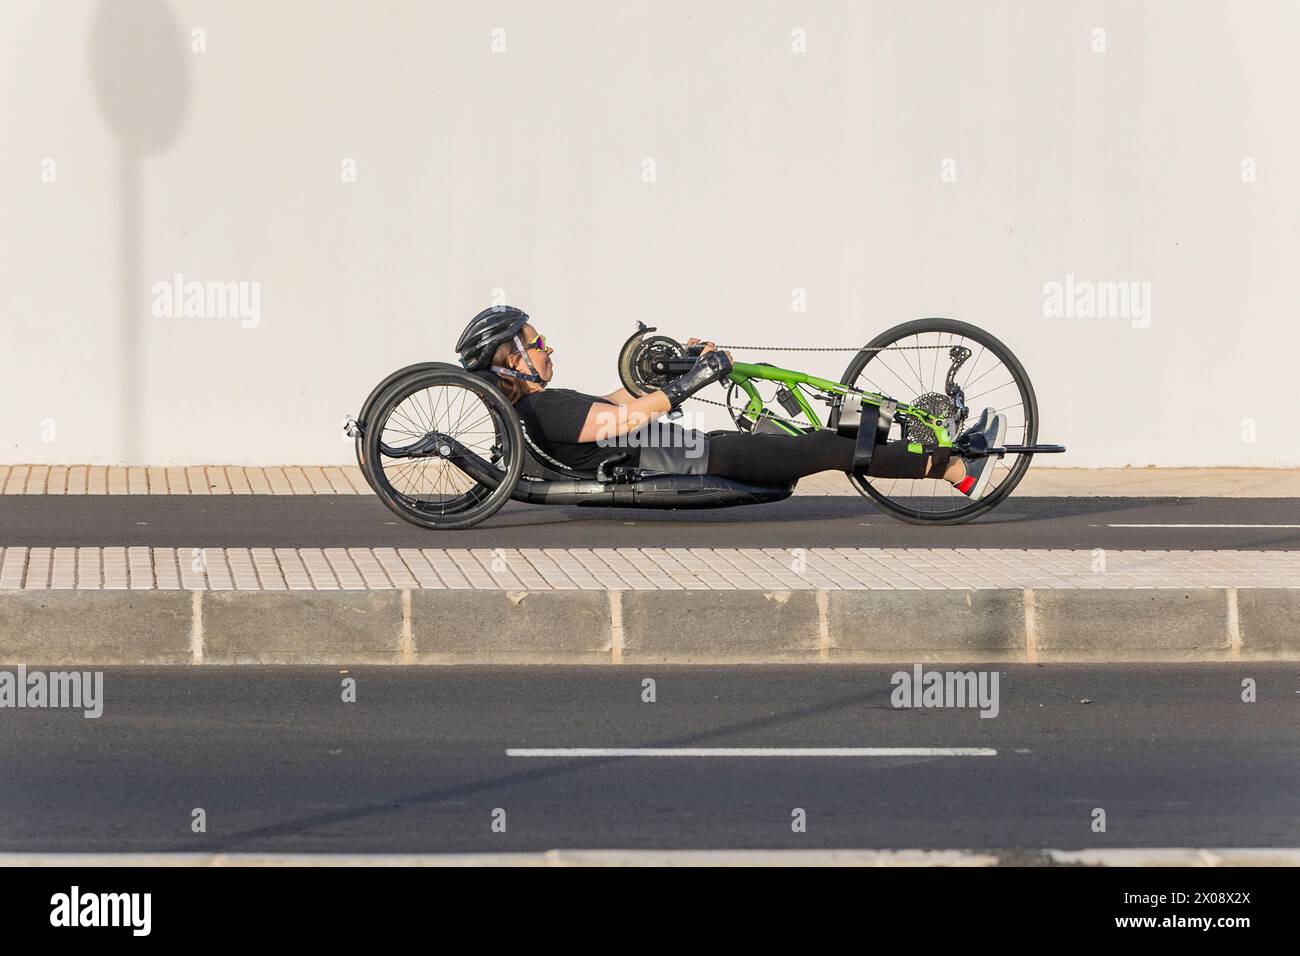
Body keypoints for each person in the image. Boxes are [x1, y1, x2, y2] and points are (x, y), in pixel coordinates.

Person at [455, 306, 1005, 496]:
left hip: (694, 451)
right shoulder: (541, 410)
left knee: (824, 431)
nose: (546, 347)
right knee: (826, 447)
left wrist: (683, 369)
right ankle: (953, 465)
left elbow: (614, 401)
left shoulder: (537, 411)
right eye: (534, 343)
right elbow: (621, 419)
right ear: (509, 359)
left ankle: (936, 441)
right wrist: (692, 383)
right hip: (701, 459)